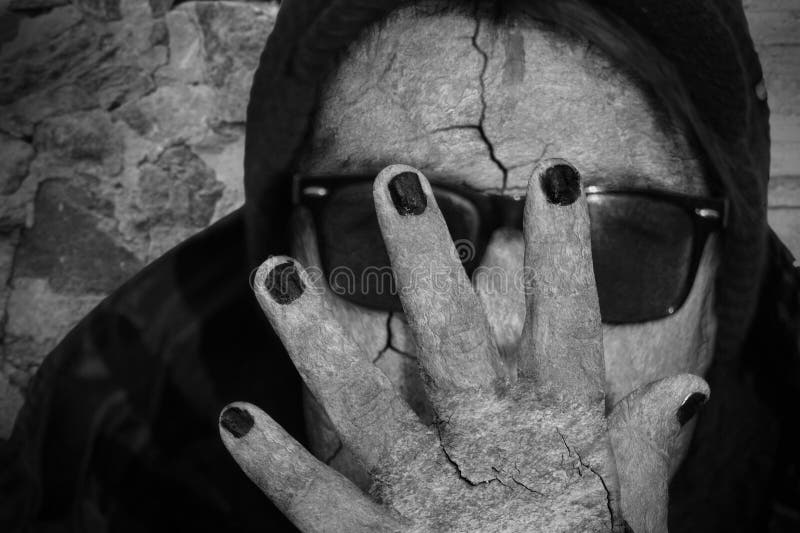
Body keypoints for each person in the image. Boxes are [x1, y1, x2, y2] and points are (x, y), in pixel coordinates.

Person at [1, 0, 798, 531]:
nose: (492, 319)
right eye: (379, 235)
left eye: (612, 240)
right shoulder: (103, 454)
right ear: (288, 252)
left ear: (722, 310)